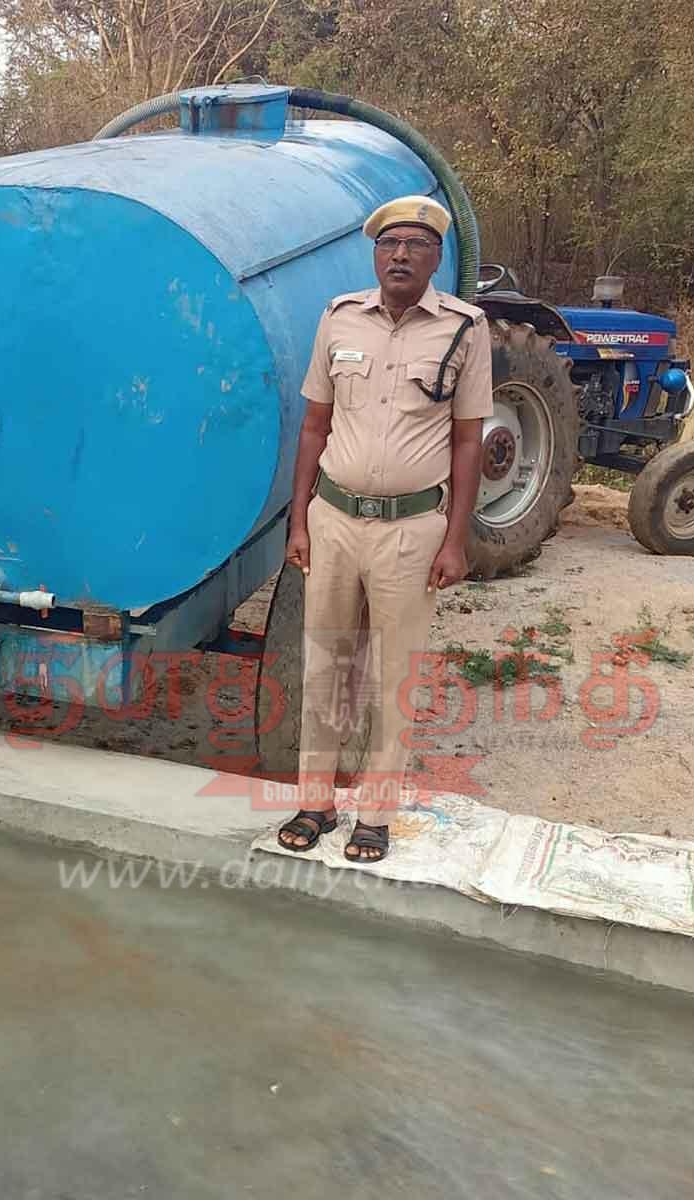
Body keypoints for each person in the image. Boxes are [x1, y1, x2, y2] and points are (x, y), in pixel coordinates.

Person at [275, 195, 492, 862]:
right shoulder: (339, 319)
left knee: (393, 674)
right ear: (375, 254)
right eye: (388, 244)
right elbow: (313, 426)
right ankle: (315, 803)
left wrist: (455, 539)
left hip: (410, 529)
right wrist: (299, 521)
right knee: (330, 668)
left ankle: (374, 813)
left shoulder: (464, 328)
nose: (399, 255)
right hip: (333, 519)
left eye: (415, 245)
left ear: (436, 257)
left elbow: (466, 442)